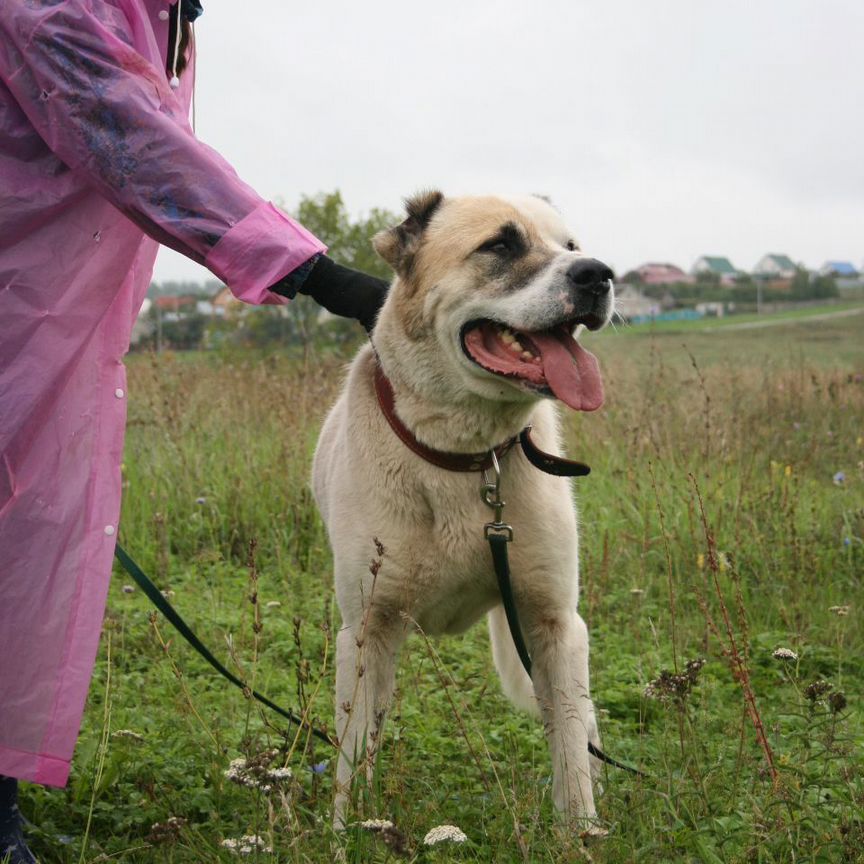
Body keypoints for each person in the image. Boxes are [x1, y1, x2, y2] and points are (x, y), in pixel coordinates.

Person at [0, 2, 388, 860]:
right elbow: (131, 138)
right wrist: (322, 276)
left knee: (24, 549)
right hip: (18, 311)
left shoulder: (168, 18)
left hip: (55, 328)